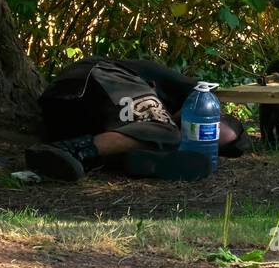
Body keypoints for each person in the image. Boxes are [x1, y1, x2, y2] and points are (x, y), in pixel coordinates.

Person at [25, 58, 248, 182]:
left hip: (68, 117)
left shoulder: (143, 135)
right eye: (206, 128)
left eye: (207, 142)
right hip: (95, 79)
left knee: (154, 141)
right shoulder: (191, 92)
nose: (194, 134)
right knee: (165, 132)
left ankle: (70, 156)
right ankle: (69, 150)